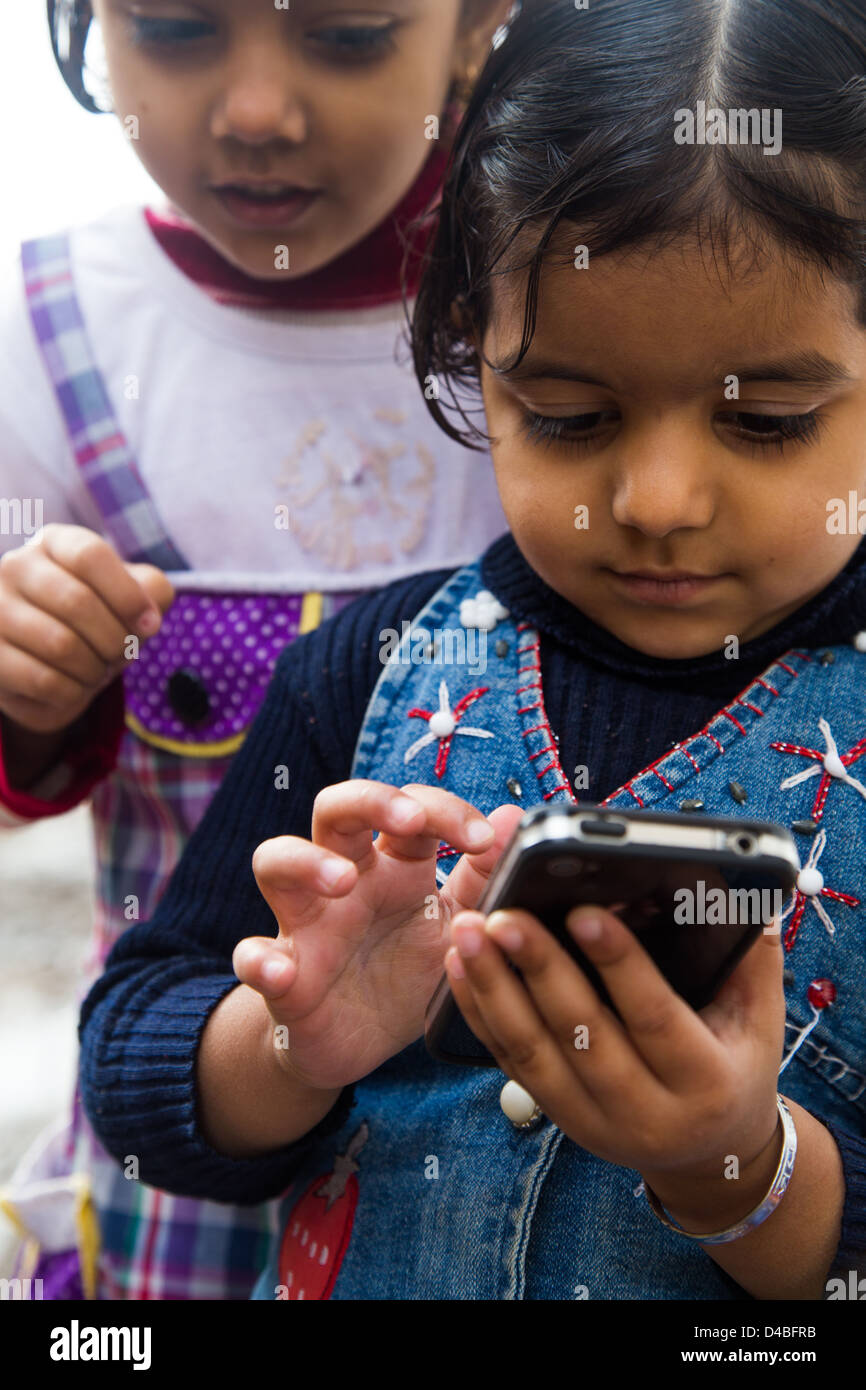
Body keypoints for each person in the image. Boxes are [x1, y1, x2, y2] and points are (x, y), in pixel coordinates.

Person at [78, 0, 866, 1299]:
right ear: (472, 360)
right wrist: (293, 1039)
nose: (656, 498)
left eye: (766, 419)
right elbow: (133, 1059)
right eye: (567, 413)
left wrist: (735, 1165)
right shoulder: (371, 670)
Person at [0, 0, 511, 1299]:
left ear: (476, 26)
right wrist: (30, 693)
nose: (255, 109)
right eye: (175, 28)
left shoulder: (594, 310)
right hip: (176, 1163)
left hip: (532, 1208)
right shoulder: (49, 333)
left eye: (344, 36)